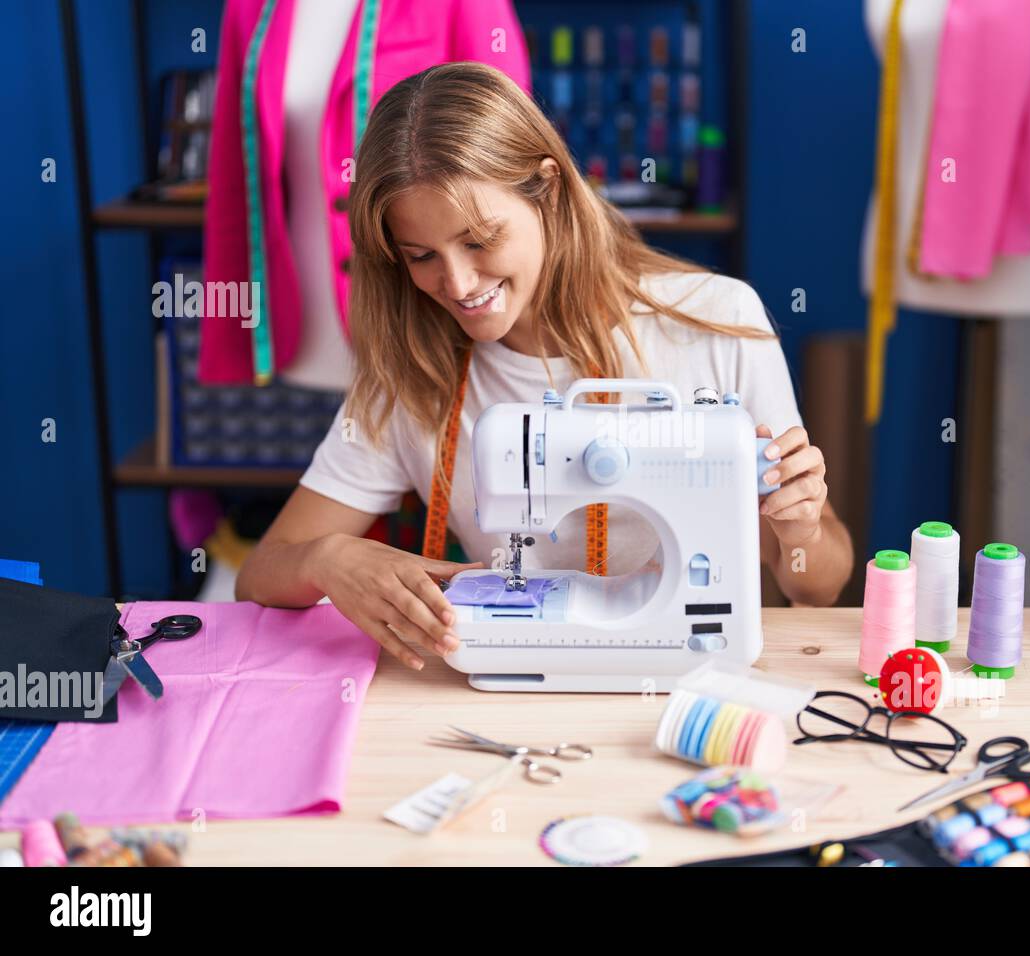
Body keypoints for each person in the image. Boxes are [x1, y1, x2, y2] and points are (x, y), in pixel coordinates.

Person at [235, 63, 854, 669]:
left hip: (686, 687)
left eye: (479, 240)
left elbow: (815, 589)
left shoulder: (711, 325)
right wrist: (328, 559)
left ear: (549, 190)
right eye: (421, 255)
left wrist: (799, 533)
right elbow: (259, 576)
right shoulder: (413, 366)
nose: (457, 282)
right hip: (504, 693)